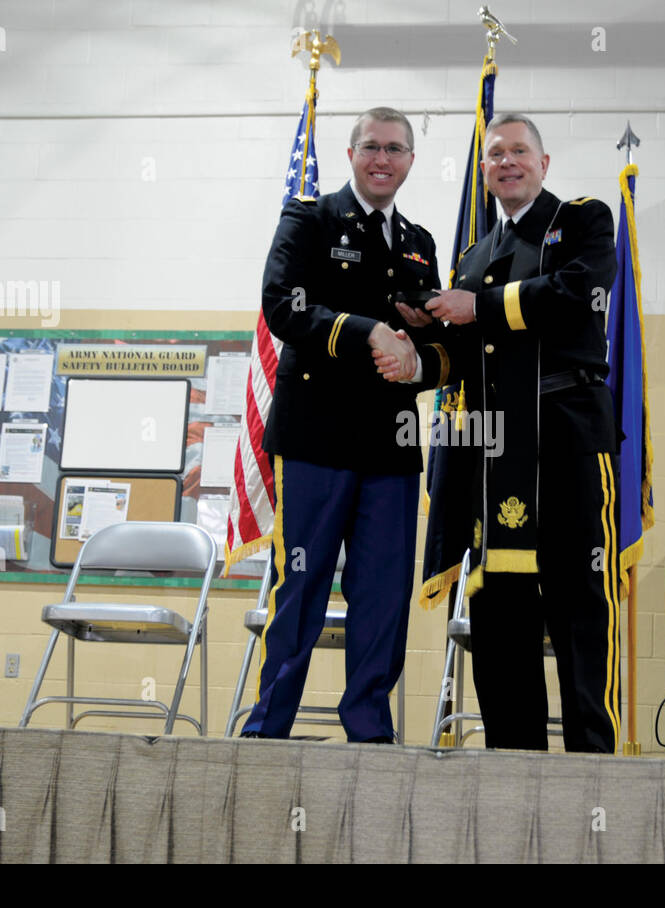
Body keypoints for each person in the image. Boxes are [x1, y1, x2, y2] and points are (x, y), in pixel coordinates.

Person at [244, 106, 453, 742]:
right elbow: (283, 307)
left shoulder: (419, 242)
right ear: (351, 153)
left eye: (395, 148)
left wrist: (418, 356)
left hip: (390, 450)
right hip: (317, 439)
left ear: (412, 161)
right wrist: (371, 333)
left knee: (384, 596)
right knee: (301, 585)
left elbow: (436, 348)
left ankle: (368, 729)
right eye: (371, 147)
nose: (382, 158)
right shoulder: (309, 219)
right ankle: (268, 728)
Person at [426, 114, 621, 753]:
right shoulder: (472, 256)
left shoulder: (583, 220)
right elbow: (460, 350)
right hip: (494, 448)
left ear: (544, 162)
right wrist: (416, 337)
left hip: (566, 436)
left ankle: (593, 757)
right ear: (484, 172)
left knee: (577, 601)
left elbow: (574, 292)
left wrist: (478, 308)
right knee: (501, 609)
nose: (505, 162)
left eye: (518, 152)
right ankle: (513, 759)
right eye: (494, 155)